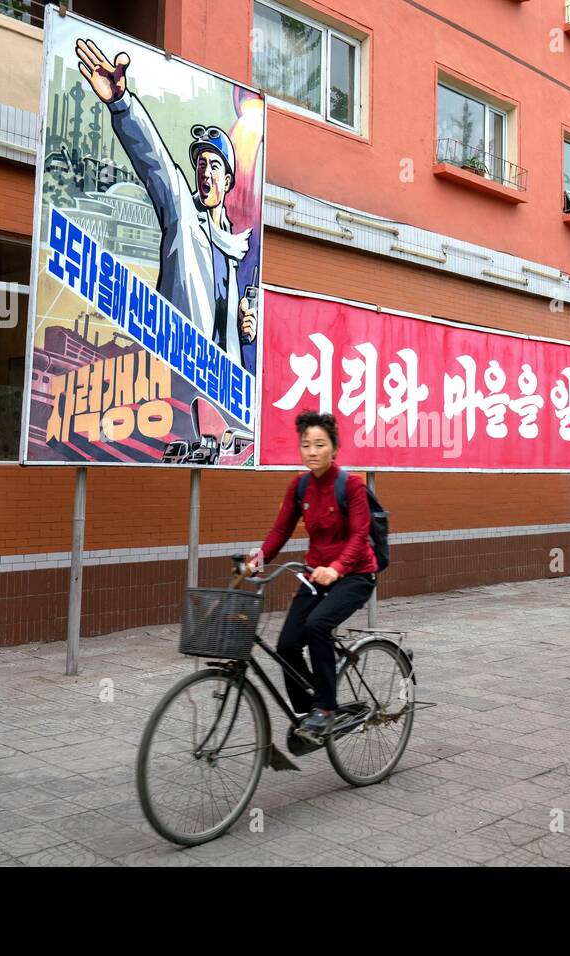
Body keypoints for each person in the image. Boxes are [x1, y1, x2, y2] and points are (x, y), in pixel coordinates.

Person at [75, 39, 257, 369]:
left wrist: (244, 332)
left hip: (220, 388)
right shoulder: (183, 213)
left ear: (228, 181)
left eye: (214, 166)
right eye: (200, 164)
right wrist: (121, 104)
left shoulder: (233, 247)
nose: (205, 171)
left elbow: (223, 325)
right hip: (175, 369)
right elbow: (155, 160)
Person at [247, 411, 377, 743]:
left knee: (317, 625)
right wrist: (258, 559)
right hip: (315, 575)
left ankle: (326, 709)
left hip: (355, 575)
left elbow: (360, 535)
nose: (312, 451)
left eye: (320, 444)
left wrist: (337, 568)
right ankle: (309, 712)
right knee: (287, 644)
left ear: (334, 449)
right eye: (306, 445)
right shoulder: (300, 486)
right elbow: (280, 530)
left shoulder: (351, 485)